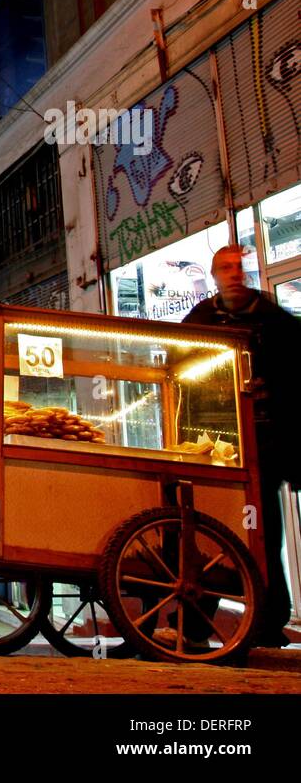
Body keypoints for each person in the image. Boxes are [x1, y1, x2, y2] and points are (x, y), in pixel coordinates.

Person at [183, 245, 301, 647]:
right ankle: (198, 625)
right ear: (215, 275)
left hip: (265, 447)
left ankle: (268, 621)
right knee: (215, 536)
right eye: (225, 268)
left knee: (263, 535)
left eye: (238, 268)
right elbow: (182, 374)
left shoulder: (273, 320)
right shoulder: (200, 318)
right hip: (215, 446)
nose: (234, 274)